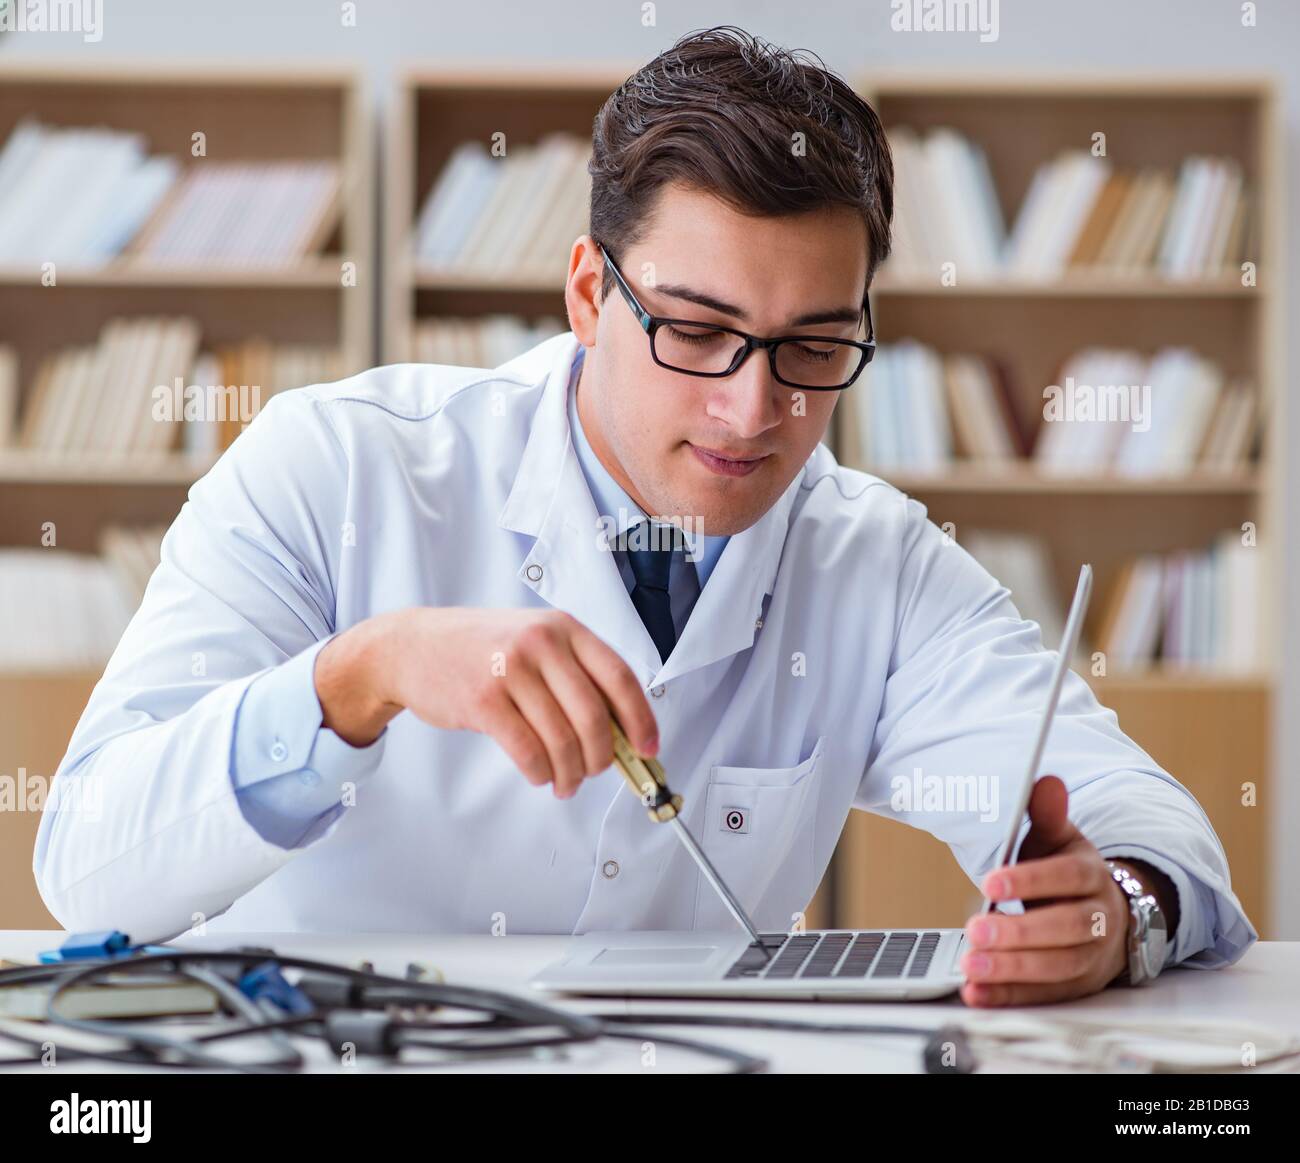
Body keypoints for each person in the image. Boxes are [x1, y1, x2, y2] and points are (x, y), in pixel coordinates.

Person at [34, 26, 1254, 1006]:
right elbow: (86, 864)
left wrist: (1117, 909)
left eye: (813, 345)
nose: (752, 406)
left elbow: (1143, 819)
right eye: (698, 330)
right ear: (586, 292)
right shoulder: (334, 468)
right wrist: (360, 675)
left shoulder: (871, 556)